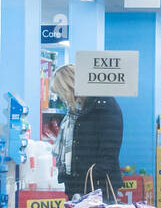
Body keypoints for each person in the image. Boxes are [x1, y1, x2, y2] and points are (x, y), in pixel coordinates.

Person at [51, 63, 125, 200]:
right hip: (77, 187)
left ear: (70, 86)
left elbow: (110, 153)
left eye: (61, 93)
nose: (61, 98)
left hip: (98, 188)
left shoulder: (104, 106)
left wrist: (92, 177)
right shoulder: (76, 111)